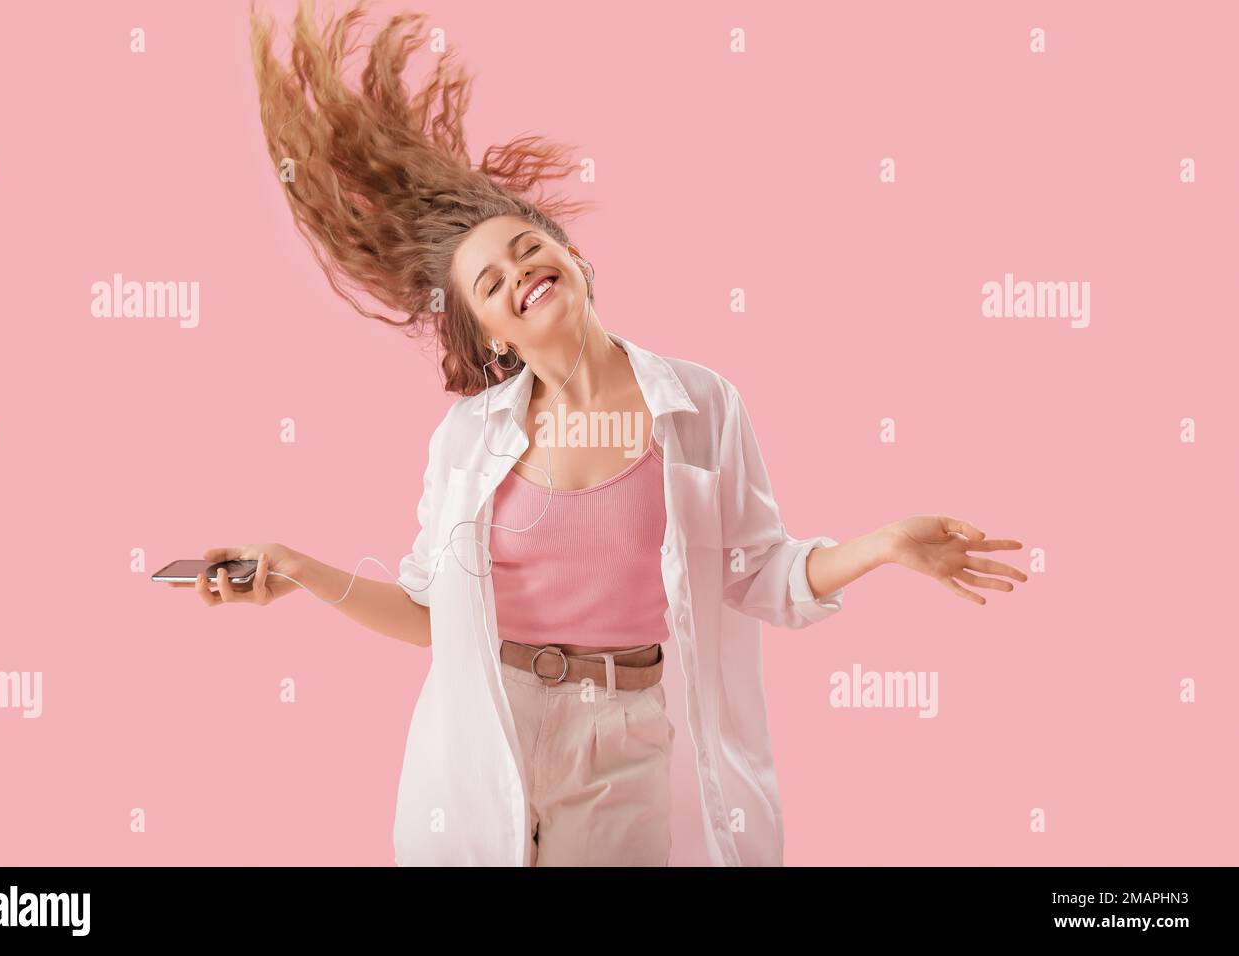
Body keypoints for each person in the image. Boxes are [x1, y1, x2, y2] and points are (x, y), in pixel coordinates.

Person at [168, 0, 1028, 866]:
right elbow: (434, 614)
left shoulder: (701, 405)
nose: (521, 273)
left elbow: (760, 572)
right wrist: (303, 573)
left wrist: (880, 547)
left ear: (571, 257)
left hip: (625, 742)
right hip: (481, 741)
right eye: (491, 281)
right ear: (490, 334)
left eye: (528, 248)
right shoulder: (466, 442)